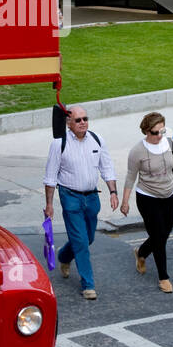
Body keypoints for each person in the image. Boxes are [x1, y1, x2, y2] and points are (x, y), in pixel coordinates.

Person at [43, 105, 118, 300]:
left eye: (85, 118)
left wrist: (113, 192)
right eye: (78, 120)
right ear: (69, 123)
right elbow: (50, 177)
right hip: (70, 197)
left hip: (92, 197)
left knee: (89, 238)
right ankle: (88, 285)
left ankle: (64, 256)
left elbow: (107, 167)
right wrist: (49, 205)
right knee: (82, 242)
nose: (83, 122)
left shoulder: (97, 139)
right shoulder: (59, 144)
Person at [120, 112, 173, 294]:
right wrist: (125, 201)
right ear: (146, 132)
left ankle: (141, 253)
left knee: (165, 233)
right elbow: (130, 177)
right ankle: (163, 278)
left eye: (162, 131)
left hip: (169, 194)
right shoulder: (137, 151)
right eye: (156, 132)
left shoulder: (170, 144)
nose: (159, 136)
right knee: (158, 236)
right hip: (148, 197)